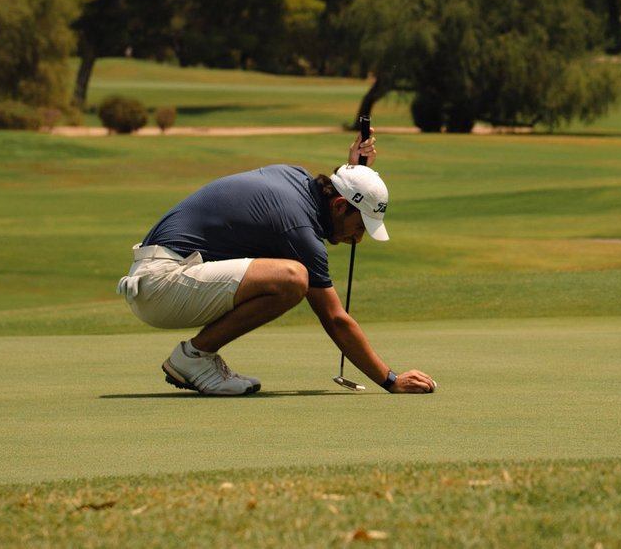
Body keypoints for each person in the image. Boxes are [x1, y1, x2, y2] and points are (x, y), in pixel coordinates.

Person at [117, 130, 437, 396]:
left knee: (291, 274)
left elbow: (333, 193)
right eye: (360, 226)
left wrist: (356, 173)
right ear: (339, 206)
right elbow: (335, 318)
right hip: (162, 286)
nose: (359, 238)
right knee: (293, 278)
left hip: (161, 276)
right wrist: (390, 380)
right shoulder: (299, 229)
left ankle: (198, 357)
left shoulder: (295, 177)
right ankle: (193, 358)